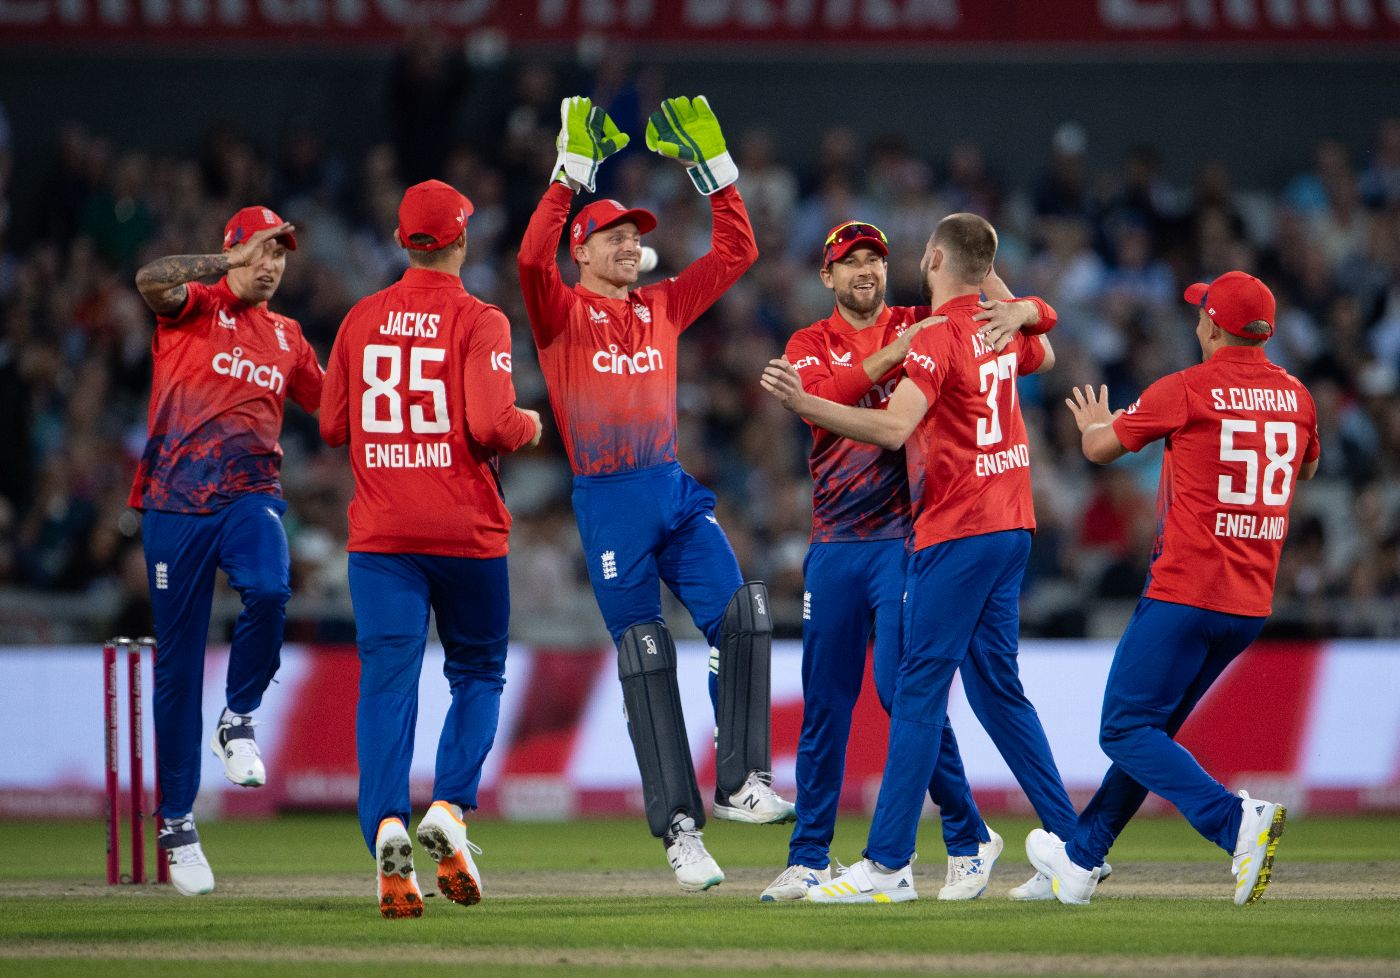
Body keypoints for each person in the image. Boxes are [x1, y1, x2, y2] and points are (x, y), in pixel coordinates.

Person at [518, 95, 793, 892]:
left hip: (671, 489)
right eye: (615, 235)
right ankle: (679, 831)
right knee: (646, 656)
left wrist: (717, 171)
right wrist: (570, 174)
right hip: (609, 503)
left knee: (744, 613)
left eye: (636, 234)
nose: (632, 243)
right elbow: (531, 260)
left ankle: (742, 780)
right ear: (581, 249)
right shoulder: (560, 313)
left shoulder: (664, 305)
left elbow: (737, 251)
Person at [762, 213, 1077, 904]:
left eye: (875, 258)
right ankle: (810, 857)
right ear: (828, 275)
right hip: (837, 541)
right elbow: (826, 400)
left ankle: (955, 841)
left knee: (902, 691)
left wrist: (1026, 308)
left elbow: (1018, 337)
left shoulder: (923, 320)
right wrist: (892, 354)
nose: (866, 270)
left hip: (912, 538)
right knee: (827, 701)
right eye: (851, 261)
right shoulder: (811, 342)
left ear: (907, 264)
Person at [1031, 271, 1318, 906]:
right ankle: (1080, 861)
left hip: (1187, 591)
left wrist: (1096, 422)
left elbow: (1100, 450)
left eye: (1200, 313)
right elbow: (1307, 466)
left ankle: (1233, 823)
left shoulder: (1188, 387)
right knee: (1149, 733)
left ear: (1213, 325)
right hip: (1250, 601)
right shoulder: (1298, 395)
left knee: (1122, 729)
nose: (1195, 322)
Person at [320, 179, 542, 918]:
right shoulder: (480, 319)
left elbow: (331, 426)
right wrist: (530, 426)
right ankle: (448, 807)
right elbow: (491, 424)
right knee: (477, 672)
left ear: (401, 241)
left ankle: (387, 828)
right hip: (465, 534)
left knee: (388, 683)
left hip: (382, 540)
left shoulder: (360, 318)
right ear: (462, 239)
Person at [131, 206, 324, 896]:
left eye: (282, 255)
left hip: (250, 496)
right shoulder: (195, 304)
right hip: (173, 502)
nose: (272, 265)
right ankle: (178, 825)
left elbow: (334, 412)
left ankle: (238, 718)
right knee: (179, 668)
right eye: (263, 250)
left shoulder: (288, 336)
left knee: (270, 588)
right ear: (232, 250)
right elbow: (149, 278)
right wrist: (226, 267)